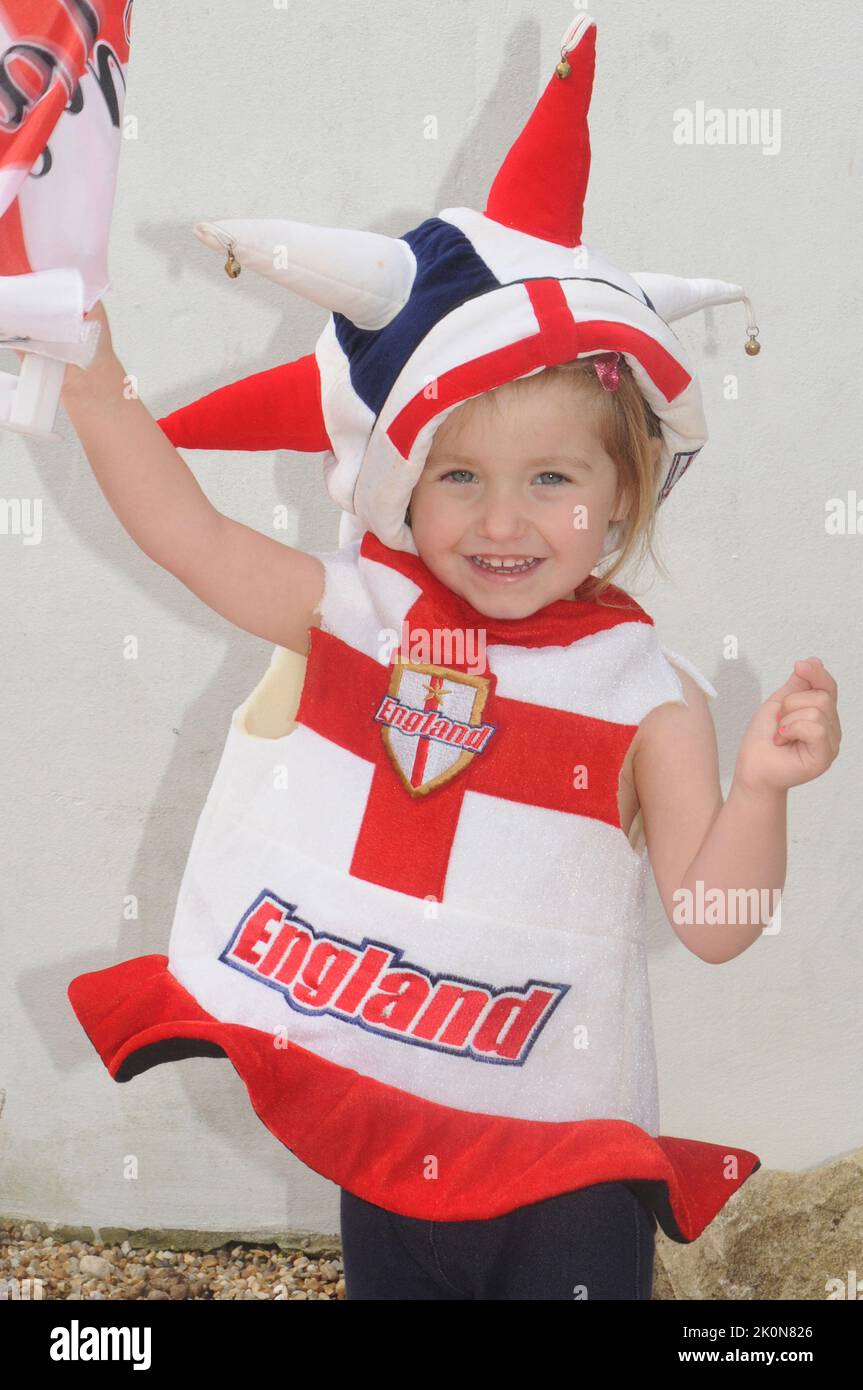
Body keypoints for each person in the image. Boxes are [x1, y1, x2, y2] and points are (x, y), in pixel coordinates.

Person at [62, 14, 841, 1300]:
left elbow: (708, 927)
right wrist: (93, 379)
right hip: (388, 1112)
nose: (498, 519)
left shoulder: (651, 697)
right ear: (396, 490)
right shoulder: (359, 612)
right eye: (457, 475)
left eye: (550, 478)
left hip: (567, 1149)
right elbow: (188, 535)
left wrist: (758, 790)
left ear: (626, 493)